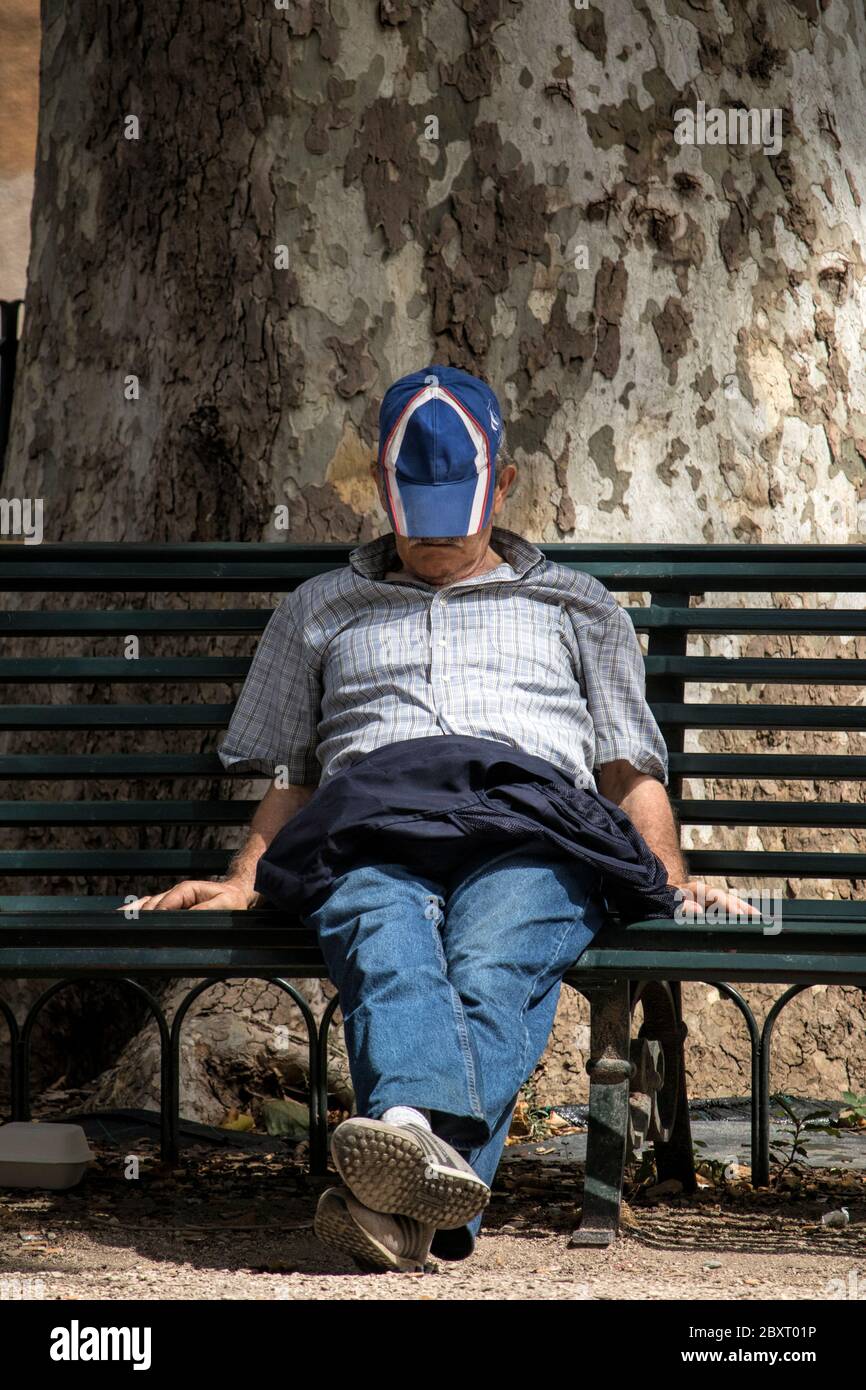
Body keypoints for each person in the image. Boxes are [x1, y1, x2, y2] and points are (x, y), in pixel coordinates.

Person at [130, 365, 756, 1272]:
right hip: (366, 828)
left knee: (495, 955)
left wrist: (674, 884)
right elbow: (292, 771)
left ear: (500, 485)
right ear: (379, 493)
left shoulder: (575, 605)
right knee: (381, 935)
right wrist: (242, 880)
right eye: (414, 518)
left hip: (534, 826)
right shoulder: (319, 607)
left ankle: (402, 1149)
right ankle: (417, 1183)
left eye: (454, 516)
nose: (432, 542)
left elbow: (629, 769)